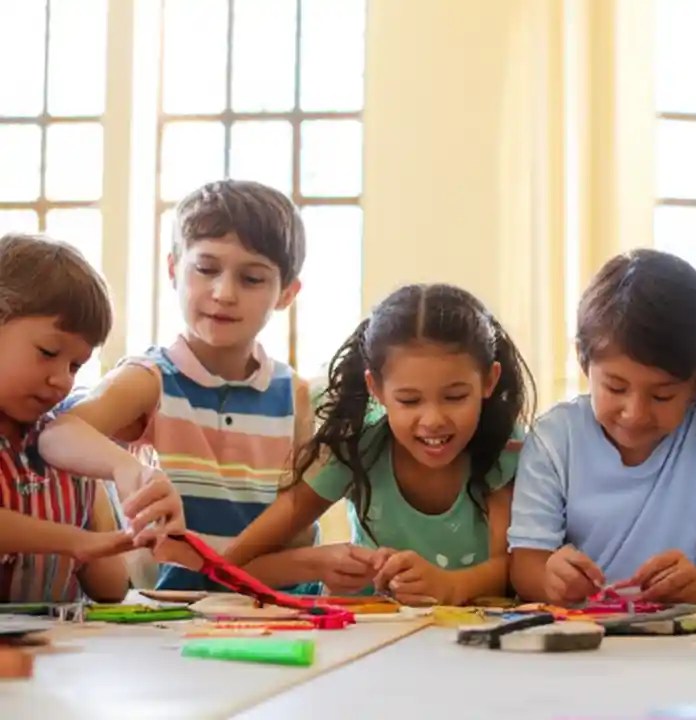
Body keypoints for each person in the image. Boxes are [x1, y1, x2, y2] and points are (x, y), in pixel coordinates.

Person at [51, 180, 316, 590]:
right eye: (206, 269)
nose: (223, 293)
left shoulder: (295, 396)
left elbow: (296, 528)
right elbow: (60, 430)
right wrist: (125, 467)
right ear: (174, 269)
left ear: (287, 293)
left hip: (273, 610)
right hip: (170, 617)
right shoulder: (150, 379)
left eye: (252, 279)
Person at [219, 284, 532, 604]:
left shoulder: (502, 448)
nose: (433, 419)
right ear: (376, 389)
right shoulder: (356, 446)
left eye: (455, 397)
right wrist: (315, 563)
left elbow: (515, 567)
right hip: (368, 636)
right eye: (409, 400)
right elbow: (228, 568)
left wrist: (449, 586)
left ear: (489, 381)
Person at [508, 249, 696, 608]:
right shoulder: (555, 439)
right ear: (584, 360)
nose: (635, 413)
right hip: (582, 638)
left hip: (683, 641)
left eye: (662, 395)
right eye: (615, 388)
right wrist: (551, 578)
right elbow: (525, 564)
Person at [0, 233, 184, 602]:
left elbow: (110, 590)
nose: (62, 379)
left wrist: (121, 540)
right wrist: (77, 542)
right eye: (47, 352)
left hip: (53, 652)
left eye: (75, 365)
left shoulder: (64, 448)